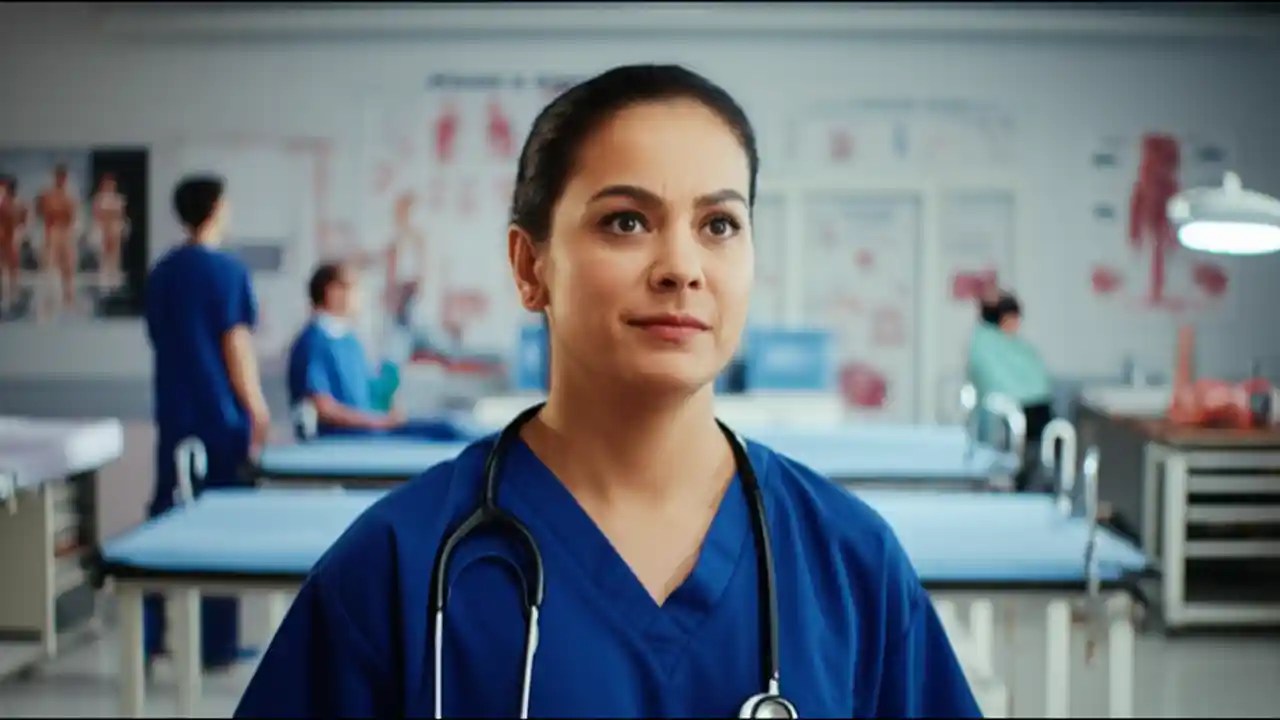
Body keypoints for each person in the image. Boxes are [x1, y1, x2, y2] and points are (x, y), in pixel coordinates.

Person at [236, 65, 979, 718]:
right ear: (530, 266)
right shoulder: (398, 567)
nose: (681, 266)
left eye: (720, 224)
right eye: (626, 221)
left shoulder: (849, 565)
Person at [144, 174, 270, 670]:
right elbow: (234, 345)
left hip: (175, 415)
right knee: (224, 531)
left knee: (165, 520)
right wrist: (257, 408)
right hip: (220, 418)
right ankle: (215, 645)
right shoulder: (225, 272)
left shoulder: (162, 273)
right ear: (217, 208)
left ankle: (150, 636)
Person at [287, 260, 466, 440]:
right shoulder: (314, 343)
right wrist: (380, 422)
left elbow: (370, 394)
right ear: (332, 292)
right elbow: (325, 410)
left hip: (369, 432)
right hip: (344, 440)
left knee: (451, 429)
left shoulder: (350, 341)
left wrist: (390, 400)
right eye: (354, 288)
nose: (360, 296)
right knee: (446, 435)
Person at [967, 288, 1055, 491]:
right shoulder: (987, 345)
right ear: (1005, 318)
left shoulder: (1001, 344)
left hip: (1027, 412)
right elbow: (999, 382)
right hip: (1015, 416)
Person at [35, 164, 79, 312]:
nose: (61, 179)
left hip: (65, 232)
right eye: (59, 176)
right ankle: (48, 300)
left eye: (63, 176)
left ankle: (68, 298)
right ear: (55, 177)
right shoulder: (47, 195)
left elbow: (72, 216)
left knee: (68, 267)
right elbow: (41, 213)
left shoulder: (69, 196)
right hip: (52, 231)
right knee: (49, 266)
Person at [91, 173, 129, 290]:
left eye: (112, 185)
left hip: (115, 228)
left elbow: (121, 215)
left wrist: (121, 227)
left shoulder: (119, 199)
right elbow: (96, 215)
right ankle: (104, 279)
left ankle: (114, 279)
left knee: (115, 255)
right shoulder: (99, 199)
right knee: (104, 255)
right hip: (102, 229)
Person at [0, 176, 28, 314]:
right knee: (5, 271)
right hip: (4, 240)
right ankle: (6, 300)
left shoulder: (18, 203)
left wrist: (19, 235)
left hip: (10, 241)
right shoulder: (3, 201)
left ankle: (12, 299)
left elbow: (23, 223)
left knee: (12, 272)